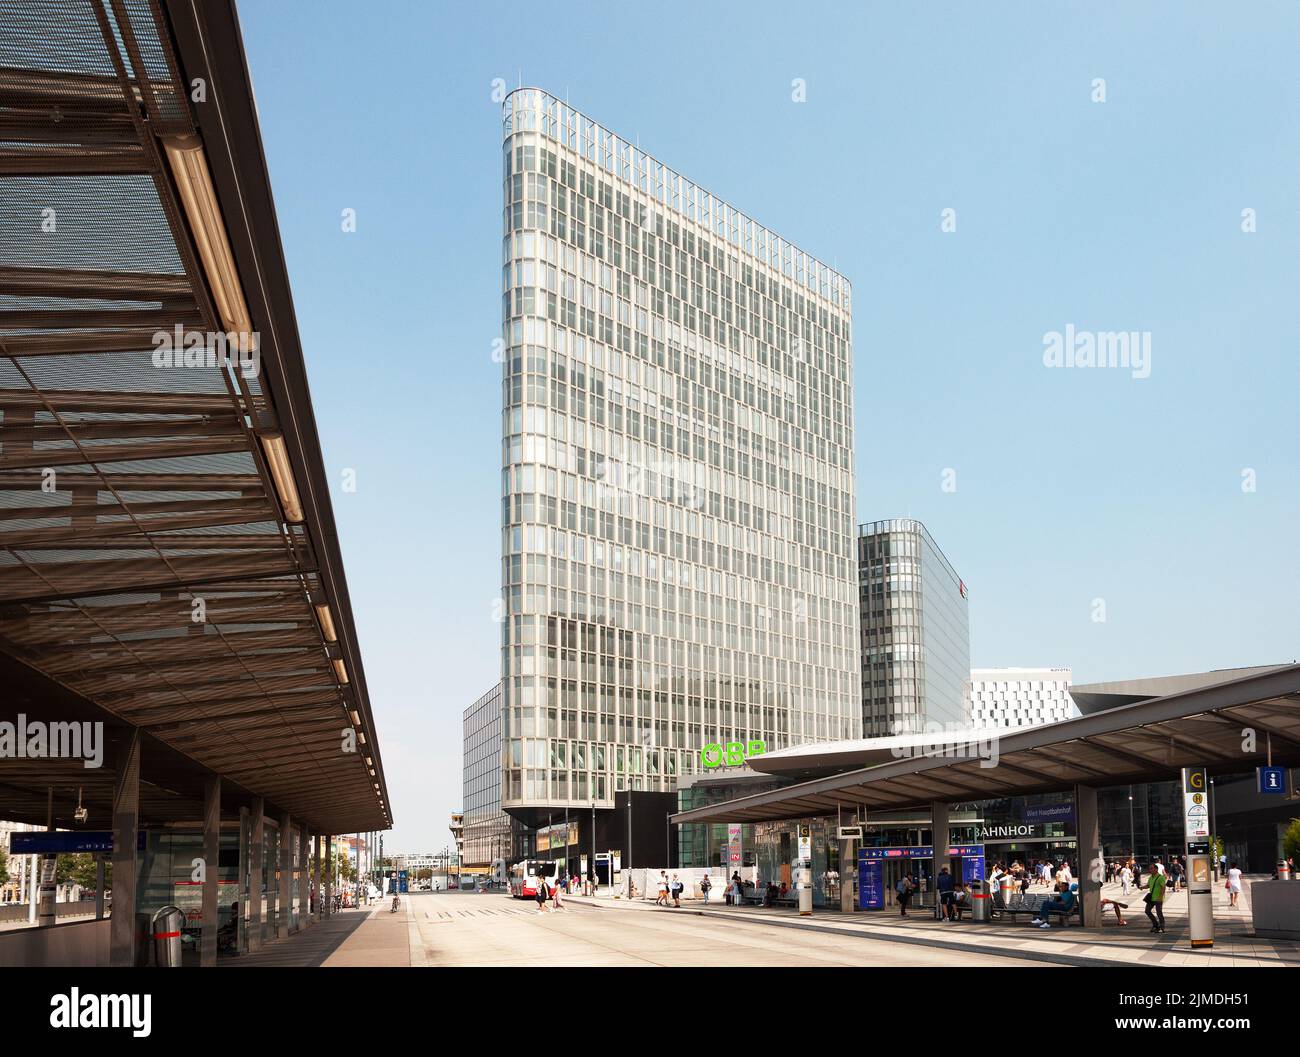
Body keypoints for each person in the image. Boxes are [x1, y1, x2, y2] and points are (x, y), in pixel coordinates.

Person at [1144, 865, 1167, 933]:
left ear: (1156, 869)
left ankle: (1162, 926)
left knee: (1159, 912)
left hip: (1158, 898)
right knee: (1147, 911)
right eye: (1150, 869)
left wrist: (1160, 897)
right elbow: (1148, 885)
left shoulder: (1161, 877)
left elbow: (1163, 887)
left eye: (1152, 869)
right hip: (1151, 898)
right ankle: (1155, 925)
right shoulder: (1151, 877)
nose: (1150, 870)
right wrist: (1142, 887)